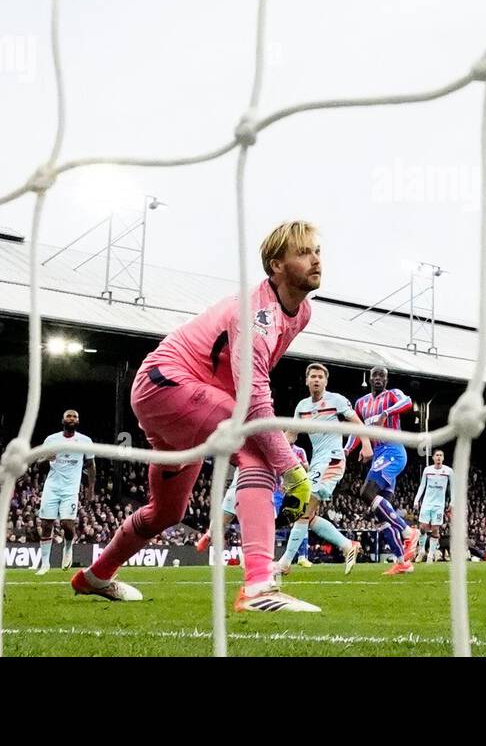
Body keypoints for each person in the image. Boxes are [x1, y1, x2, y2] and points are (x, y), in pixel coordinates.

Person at [73, 220, 318, 613]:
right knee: (256, 453)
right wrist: (293, 471)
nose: (316, 259)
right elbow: (254, 398)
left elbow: (246, 380)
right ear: (276, 265)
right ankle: (258, 586)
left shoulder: (302, 312)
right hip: (168, 385)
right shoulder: (255, 314)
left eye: (317, 251)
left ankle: (96, 577)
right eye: (304, 252)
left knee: (168, 512)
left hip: (183, 398)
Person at [274, 362, 368, 574]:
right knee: (308, 515)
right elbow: (291, 435)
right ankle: (347, 545)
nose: (316, 380)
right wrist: (273, 448)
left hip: (333, 460)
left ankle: (285, 564)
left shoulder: (336, 400)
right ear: (307, 380)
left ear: (326, 381)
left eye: (320, 377)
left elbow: (356, 422)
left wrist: (367, 444)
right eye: (313, 376)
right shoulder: (302, 406)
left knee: (303, 511)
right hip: (317, 463)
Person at [346, 366, 420, 576]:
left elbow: (407, 402)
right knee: (381, 514)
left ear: (386, 380)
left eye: (382, 376)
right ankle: (401, 562)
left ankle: (408, 531)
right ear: (369, 379)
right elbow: (357, 430)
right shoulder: (361, 403)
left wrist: (386, 413)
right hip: (378, 455)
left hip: (393, 449)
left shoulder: (392, 395)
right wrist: (347, 450)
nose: (378, 379)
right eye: (375, 376)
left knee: (367, 492)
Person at [36, 409, 95, 573]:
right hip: (52, 487)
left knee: (67, 525)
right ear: (62, 420)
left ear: (78, 421)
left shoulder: (85, 441)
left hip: (71, 489)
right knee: (46, 524)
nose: (71, 418)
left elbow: (90, 466)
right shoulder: (51, 439)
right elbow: (38, 465)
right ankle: (45, 564)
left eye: (75, 416)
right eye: (68, 416)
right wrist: (45, 458)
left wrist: (90, 490)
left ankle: (68, 548)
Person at [414, 449, 453, 562]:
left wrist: (452, 502)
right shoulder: (427, 470)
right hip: (426, 503)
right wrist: (416, 500)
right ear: (433, 458)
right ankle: (421, 551)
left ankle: (430, 555)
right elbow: (422, 486)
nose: (439, 457)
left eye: (441, 455)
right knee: (422, 528)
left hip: (438, 505)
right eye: (437, 455)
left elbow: (453, 488)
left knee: (435, 529)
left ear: (443, 458)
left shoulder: (448, 471)